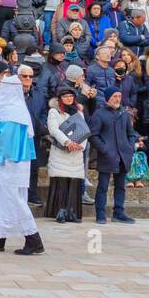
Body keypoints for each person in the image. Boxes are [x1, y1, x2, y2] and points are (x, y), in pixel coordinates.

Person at [0, 75, 44, 254]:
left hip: (10, 164)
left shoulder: (12, 112)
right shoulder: (16, 110)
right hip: (8, 163)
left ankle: (33, 239)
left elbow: (5, 139)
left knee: (13, 200)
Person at [88, 87, 139, 225]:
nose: (117, 99)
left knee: (120, 186)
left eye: (119, 96)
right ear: (107, 98)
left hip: (123, 155)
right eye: (114, 96)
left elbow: (131, 133)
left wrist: (129, 147)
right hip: (107, 156)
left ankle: (119, 213)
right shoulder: (99, 114)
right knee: (103, 186)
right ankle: (100, 214)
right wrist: (105, 149)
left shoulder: (124, 113)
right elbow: (93, 136)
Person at [44, 86, 87, 223]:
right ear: (60, 98)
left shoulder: (78, 112)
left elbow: (84, 130)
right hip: (61, 151)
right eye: (65, 96)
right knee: (61, 182)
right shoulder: (54, 112)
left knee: (74, 183)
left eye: (71, 96)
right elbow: (54, 130)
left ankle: (72, 212)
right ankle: (60, 211)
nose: (69, 98)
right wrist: (67, 142)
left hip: (76, 153)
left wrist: (81, 146)